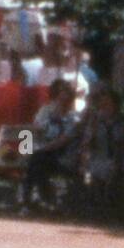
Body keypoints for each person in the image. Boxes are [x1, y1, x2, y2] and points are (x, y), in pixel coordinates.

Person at [23, 79, 80, 210]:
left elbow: (62, 141)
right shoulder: (47, 114)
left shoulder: (74, 119)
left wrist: (41, 149)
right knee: (37, 162)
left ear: (70, 101)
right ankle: (43, 199)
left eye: (65, 100)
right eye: (59, 99)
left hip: (64, 155)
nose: (60, 103)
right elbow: (36, 128)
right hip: (46, 154)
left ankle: (32, 199)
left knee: (36, 160)